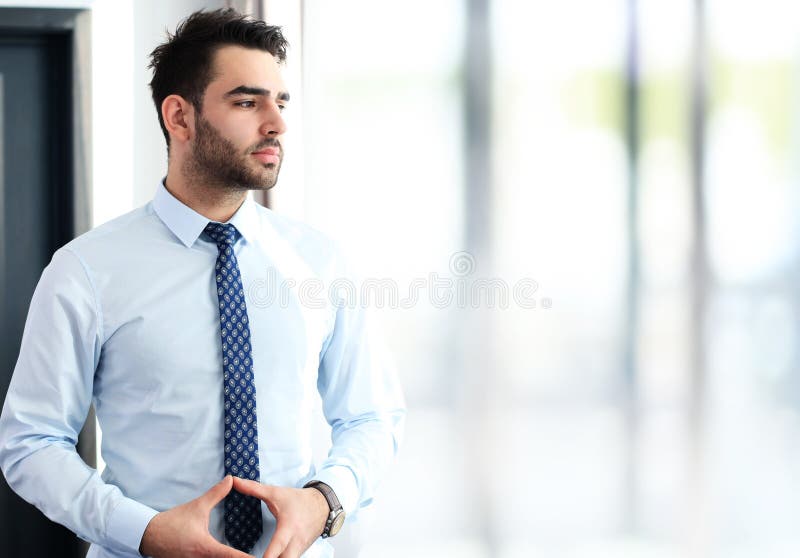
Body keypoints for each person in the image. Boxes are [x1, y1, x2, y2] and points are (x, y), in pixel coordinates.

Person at [0, 8, 405, 558]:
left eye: (281, 102)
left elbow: (371, 417)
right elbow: (31, 442)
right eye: (247, 102)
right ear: (179, 116)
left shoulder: (320, 262)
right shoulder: (86, 271)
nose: (277, 124)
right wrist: (142, 531)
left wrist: (325, 501)